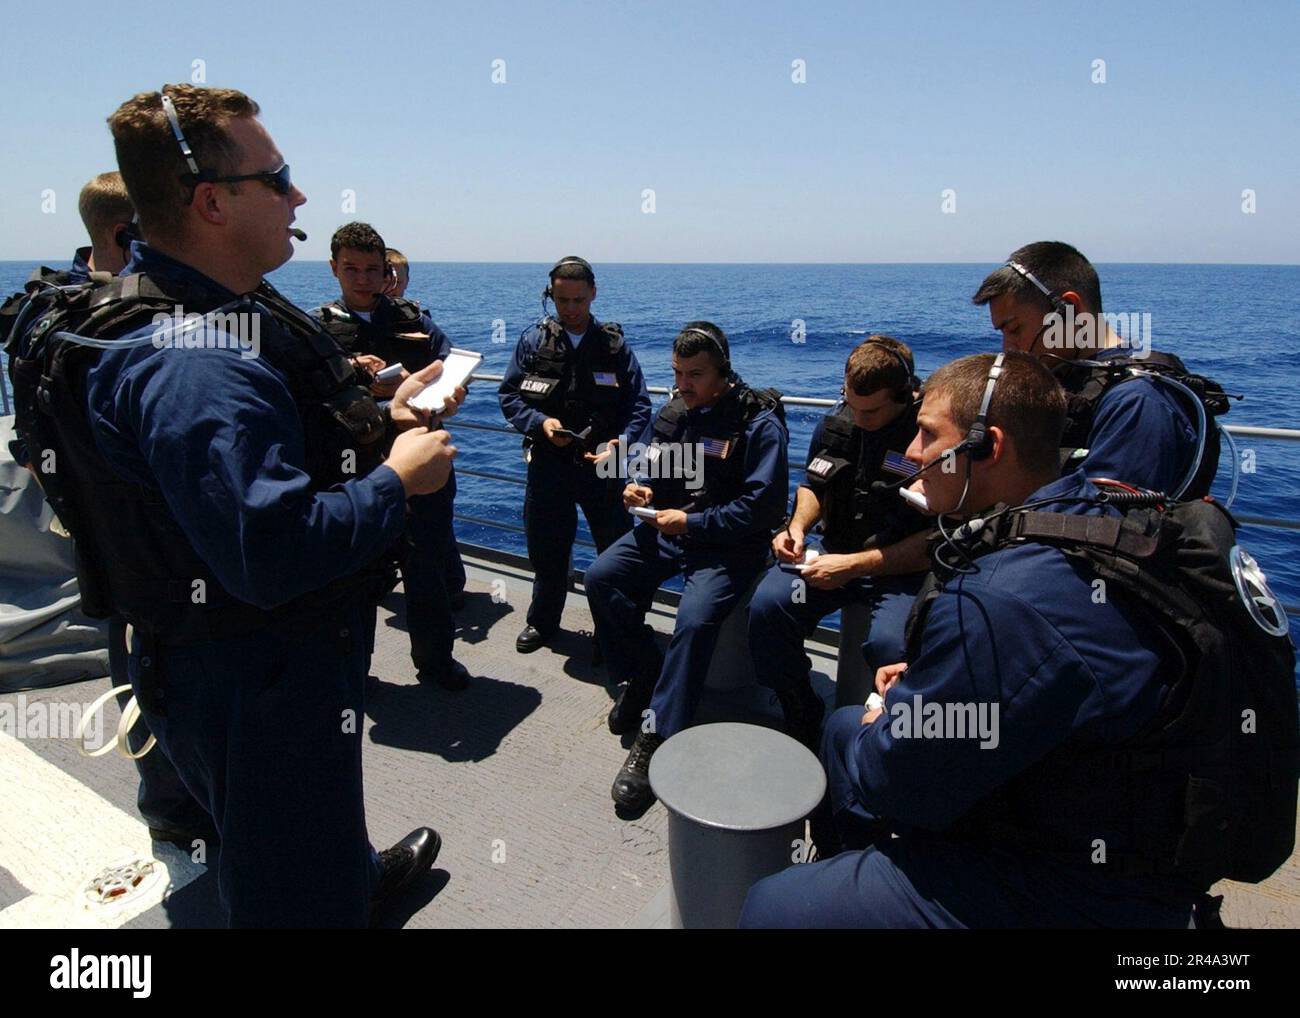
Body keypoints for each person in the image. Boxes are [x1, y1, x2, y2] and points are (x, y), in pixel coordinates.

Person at [8, 84, 464, 927]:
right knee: (290, 882)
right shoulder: (196, 364)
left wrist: (383, 424)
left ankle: (348, 873)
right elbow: (272, 553)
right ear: (213, 201)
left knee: (290, 837)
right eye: (278, 177)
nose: (297, 197)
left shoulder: (203, 307)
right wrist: (398, 478)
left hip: (212, 658)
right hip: (259, 678)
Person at [739, 353, 1206, 928]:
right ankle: (857, 862)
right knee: (837, 727)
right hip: (1096, 801)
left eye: (930, 436)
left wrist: (888, 719)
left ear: (988, 446)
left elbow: (901, 780)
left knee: (771, 907)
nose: (912, 453)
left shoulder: (1001, 596)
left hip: (1070, 883)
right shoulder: (1088, 518)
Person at [585, 322, 789, 814]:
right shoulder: (675, 413)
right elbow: (652, 466)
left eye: (695, 374)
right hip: (669, 529)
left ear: (723, 372)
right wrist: (639, 487)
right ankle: (645, 674)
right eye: (677, 373)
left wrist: (694, 521)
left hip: (726, 543)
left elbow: (762, 509)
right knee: (601, 578)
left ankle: (659, 733)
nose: (682, 384)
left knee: (694, 620)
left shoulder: (758, 423)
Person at [746, 336, 931, 749]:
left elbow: (936, 535)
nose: (859, 417)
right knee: (768, 606)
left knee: (891, 646)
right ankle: (800, 704)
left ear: (904, 394)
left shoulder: (928, 438)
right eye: (851, 402)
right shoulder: (838, 421)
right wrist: (796, 530)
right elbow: (814, 483)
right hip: (836, 551)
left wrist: (855, 566)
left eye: (872, 410)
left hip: (899, 568)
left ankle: (886, 742)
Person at [313, 222, 469, 689]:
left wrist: (452, 393)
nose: (363, 279)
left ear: (387, 271)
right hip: (359, 470)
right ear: (334, 269)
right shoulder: (316, 332)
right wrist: (355, 377)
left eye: (372, 270)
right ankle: (351, 672)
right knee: (355, 579)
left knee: (429, 571)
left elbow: (450, 363)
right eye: (351, 269)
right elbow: (308, 403)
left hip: (424, 464)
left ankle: (436, 662)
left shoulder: (413, 320)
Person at [972, 240, 1225, 498]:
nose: (1008, 348)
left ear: (1070, 309)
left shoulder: (1139, 401)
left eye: (1014, 330)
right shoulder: (1072, 377)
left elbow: (1104, 523)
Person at [498, 256, 652, 654]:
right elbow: (510, 396)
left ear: (593, 294)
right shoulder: (533, 341)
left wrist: (623, 442)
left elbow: (639, 404)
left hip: (602, 465)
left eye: (578, 300)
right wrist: (541, 424)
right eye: (562, 299)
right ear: (551, 296)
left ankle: (613, 631)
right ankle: (542, 622)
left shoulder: (614, 347)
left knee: (614, 552)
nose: (570, 309)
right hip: (549, 464)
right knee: (547, 550)